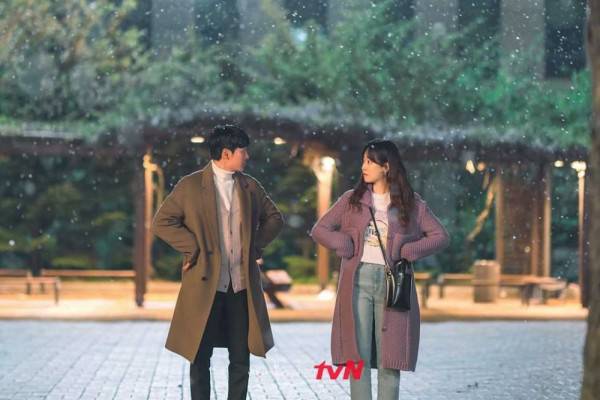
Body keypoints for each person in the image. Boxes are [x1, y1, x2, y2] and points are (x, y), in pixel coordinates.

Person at [151, 124, 283, 400]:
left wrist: (254, 246)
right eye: (243, 151)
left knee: (240, 356)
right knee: (199, 357)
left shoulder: (249, 186)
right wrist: (193, 247)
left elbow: (274, 218)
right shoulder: (190, 186)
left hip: (240, 286)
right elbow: (162, 222)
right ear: (226, 153)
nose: (247, 156)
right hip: (204, 285)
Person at [310, 139, 449, 400]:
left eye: (370, 162)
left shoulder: (411, 204)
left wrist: (408, 250)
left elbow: (440, 236)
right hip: (358, 281)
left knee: (389, 358)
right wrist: (344, 243)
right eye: (363, 161)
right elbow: (320, 230)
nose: (363, 167)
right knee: (357, 356)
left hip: (392, 284)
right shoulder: (351, 200)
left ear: (386, 166)